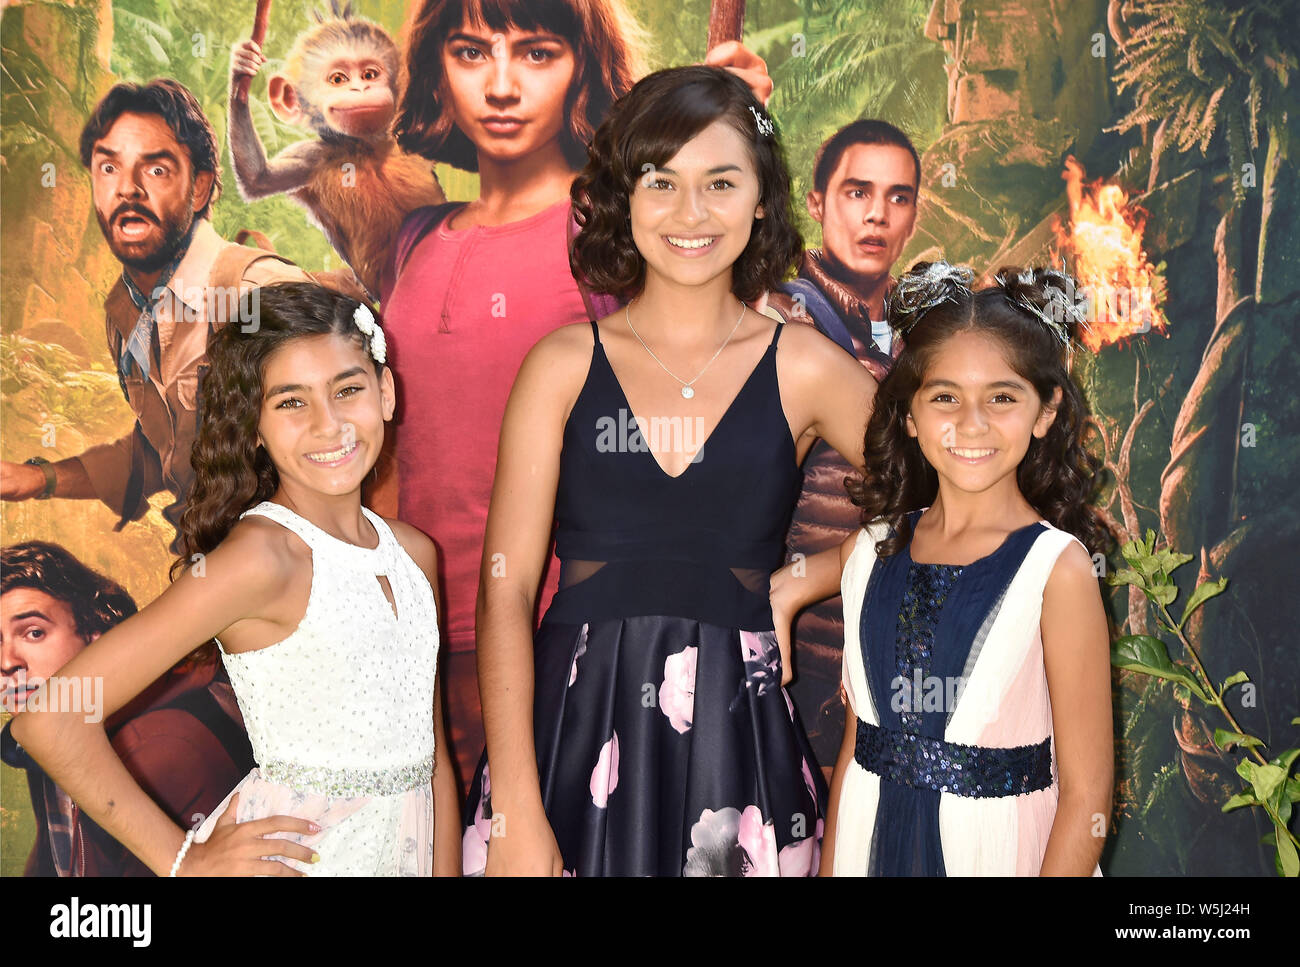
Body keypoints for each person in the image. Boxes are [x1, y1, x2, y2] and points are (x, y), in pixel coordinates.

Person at [462, 66, 878, 876]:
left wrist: (805, 579)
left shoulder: (807, 368)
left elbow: (950, 506)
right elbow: (505, 589)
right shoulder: (560, 366)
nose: (691, 214)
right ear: (625, 195)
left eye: (721, 182)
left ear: (761, 198)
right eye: (662, 181)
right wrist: (514, 795)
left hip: (740, 749)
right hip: (564, 747)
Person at [383, 0, 773, 790]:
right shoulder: (416, 236)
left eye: (535, 53)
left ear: (583, 67)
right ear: (436, 71)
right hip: (408, 641)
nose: (499, 86)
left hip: (566, 640)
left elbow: (716, 390)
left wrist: (724, 127)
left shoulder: (614, 229)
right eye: (468, 52)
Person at [11, 283, 460, 876]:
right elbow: (51, 720)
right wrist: (182, 861)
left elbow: (430, 760)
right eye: (292, 403)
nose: (330, 425)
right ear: (252, 426)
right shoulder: (262, 558)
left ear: (386, 392)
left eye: (347, 389)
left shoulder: (414, 555)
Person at [774, 261, 1113, 876]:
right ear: (909, 413)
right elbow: (859, 741)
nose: (971, 423)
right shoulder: (873, 548)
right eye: (945, 397)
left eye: (1003, 398)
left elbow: (1088, 795)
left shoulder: (1056, 570)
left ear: (1045, 411)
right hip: (866, 850)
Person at [0, 79, 311, 547]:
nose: (127, 189)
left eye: (157, 170)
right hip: (209, 571)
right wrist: (39, 479)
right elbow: (163, 454)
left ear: (201, 186)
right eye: (108, 167)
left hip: (288, 578)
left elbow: (354, 444)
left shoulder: (257, 291)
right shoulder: (125, 313)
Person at [763, 119, 921, 773]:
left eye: (898, 196)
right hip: (790, 659)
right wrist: (794, 586)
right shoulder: (774, 323)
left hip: (888, 664)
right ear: (819, 203)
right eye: (857, 192)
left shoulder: (918, 335)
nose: (877, 215)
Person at [1, 541, 253, 876]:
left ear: (95, 633)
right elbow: (52, 863)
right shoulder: (43, 732)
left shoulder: (160, 752)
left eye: (34, 632)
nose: (7, 662)